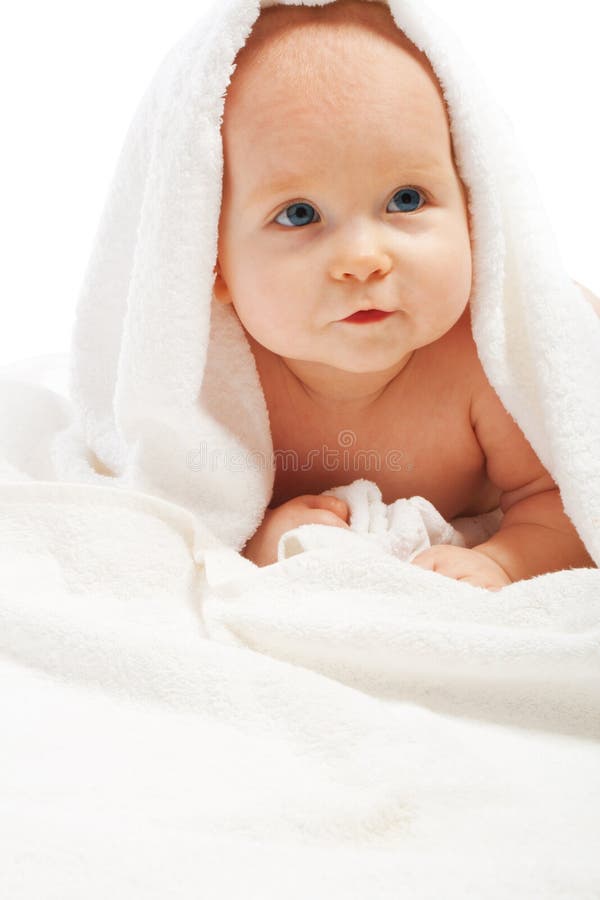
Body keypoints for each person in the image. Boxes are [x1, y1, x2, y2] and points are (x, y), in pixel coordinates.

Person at [212, 0, 597, 586]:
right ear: (214, 263)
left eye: (406, 200)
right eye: (299, 214)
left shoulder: (490, 361)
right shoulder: (220, 380)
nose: (363, 258)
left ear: (474, 211)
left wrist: (504, 559)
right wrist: (257, 538)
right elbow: (178, 504)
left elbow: (569, 501)